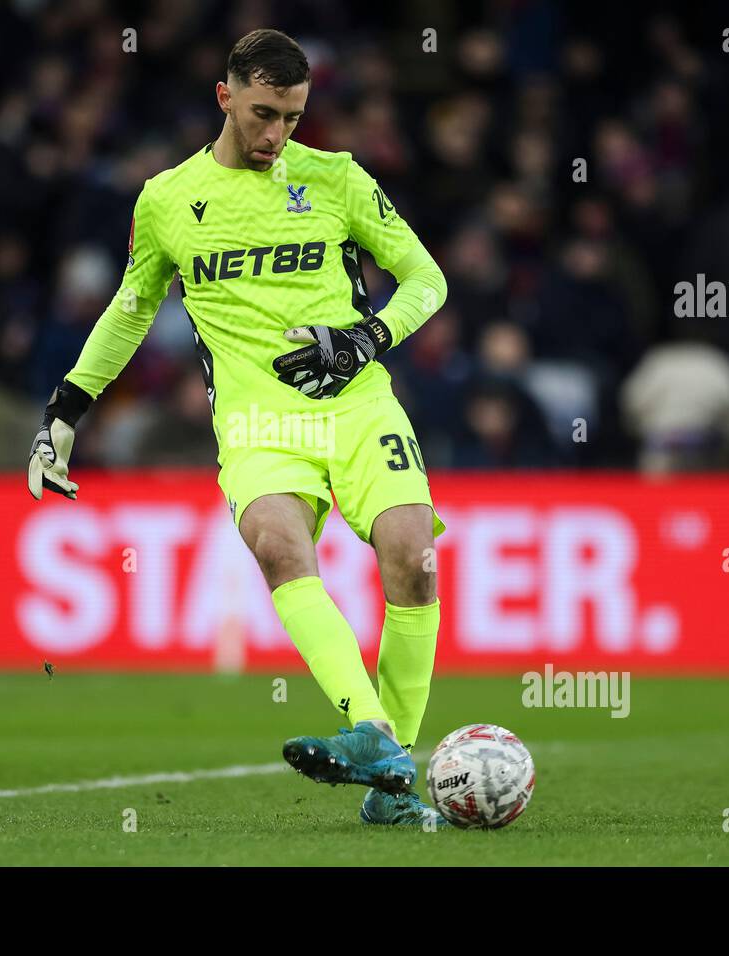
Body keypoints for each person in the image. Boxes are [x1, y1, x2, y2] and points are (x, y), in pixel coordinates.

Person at [26, 29, 449, 827]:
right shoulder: (166, 200)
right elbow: (130, 309)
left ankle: (389, 782)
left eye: (292, 117)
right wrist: (66, 411)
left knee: (413, 560)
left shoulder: (337, 179)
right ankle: (373, 732)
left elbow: (428, 278)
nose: (276, 135)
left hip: (357, 403)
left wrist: (366, 338)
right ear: (225, 95)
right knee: (279, 544)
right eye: (262, 113)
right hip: (258, 424)